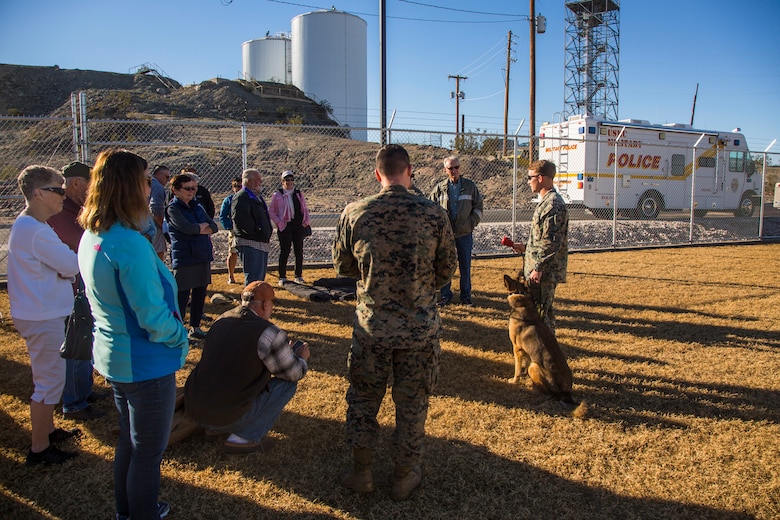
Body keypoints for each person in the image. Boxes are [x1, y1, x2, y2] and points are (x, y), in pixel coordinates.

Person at [333, 144, 456, 501]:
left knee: (363, 400)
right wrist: (417, 289)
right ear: (410, 171)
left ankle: (361, 471)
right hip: (419, 329)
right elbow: (446, 270)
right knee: (413, 403)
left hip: (372, 328)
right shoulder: (433, 214)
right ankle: (404, 475)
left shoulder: (355, 213)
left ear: (377, 174)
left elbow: (343, 269)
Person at [78, 149, 188, 520]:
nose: (149, 187)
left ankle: (126, 511)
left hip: (116, 357)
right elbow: (152, 317)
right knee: (147, 452)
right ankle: (142, 512)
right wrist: (179, 337)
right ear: (130, 185)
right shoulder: (130, 244)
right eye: (145, 180)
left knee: (130, 441)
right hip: (145, 364)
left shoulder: (94, 234)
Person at [9, 165, 82, 466]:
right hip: (43, 315)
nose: (63, 196)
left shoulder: (34, 226)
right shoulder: (35, 230)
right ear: (38, 193)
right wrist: (65, 268)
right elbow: (71, 265)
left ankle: (48, 431)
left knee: (51, 376)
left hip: (43, 311)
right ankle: (39, 448)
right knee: (49, 381)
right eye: (58, 189)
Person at [184, 281, 310, 454]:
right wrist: (301, 358)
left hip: (196, 410)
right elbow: (294, 373)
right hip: (227, 414)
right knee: (287, 384)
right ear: (266, 305)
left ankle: (214, 429)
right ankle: (244, 438)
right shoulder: (269, 332)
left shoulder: (221, 320)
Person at [47, 161, 108, 421]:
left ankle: (84, 389)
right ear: (75, 184)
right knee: (76, 341)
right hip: (68, 290)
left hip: (78, 285)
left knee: (85, 340)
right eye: (90, 184)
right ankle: (73, 402)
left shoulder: (76, 208)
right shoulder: (61, 211)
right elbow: (83, 241)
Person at [511, 159, 569, 335]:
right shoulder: (546, 203)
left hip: (544, 272)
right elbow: (542, 238)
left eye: (530, 177)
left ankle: (545, 354)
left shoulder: (552, 205)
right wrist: (527, 248)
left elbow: (551, 242)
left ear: (541, 178)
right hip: (541, 269)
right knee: (542, 312)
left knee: (541, 316)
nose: (528, 181)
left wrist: (538, 268)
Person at [166, 172, 218, 341]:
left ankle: (195, 327)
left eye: (194, 188)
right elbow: (186, 228)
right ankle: (179, 330)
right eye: (187, 188)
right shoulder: (173, 209)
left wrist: (198, 227)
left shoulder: (197, 206)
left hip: (202, 254)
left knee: (200, 292)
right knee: (182, 295)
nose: (192, 192)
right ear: (176, 190)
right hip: (185, 257)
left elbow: (213, 226)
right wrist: (200, 228)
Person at [429, 155, 483, 307]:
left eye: (456, 167)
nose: (454, 171)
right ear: (445, 170)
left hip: (464, 234)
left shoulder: (470, 186)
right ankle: (446, 296)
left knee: (465, 266)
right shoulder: (439, 188)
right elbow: (431, 208)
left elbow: (478, 207)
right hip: (446, 236)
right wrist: (439, 228)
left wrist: (471, 223)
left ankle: (466, 296)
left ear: (460, 168)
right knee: (446, 266)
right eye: (450, 168)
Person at [269, 170, 311, 285]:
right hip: (285, 226)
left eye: (291, 180)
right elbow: (271, 211)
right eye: (287, 180)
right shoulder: (278, 195)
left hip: (298, 226)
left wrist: (305, 222)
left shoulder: (298, 193)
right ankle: (282, 276)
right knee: (285, 251)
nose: (289, 182)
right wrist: (279, 222)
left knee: (299, 251)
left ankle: (298, 275)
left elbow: (304, 209)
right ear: (282, 182)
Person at [232, 168, 273, 285]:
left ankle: (258, 301)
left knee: (259, 278)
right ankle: (250, 301)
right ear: (249, 181)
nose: (261, 181)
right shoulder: (242, 197)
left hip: (260, 242)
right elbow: (242, 220)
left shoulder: (256, 196)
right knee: (253, 278)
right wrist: (258, 231)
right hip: (250, 242)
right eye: (258, 179)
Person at [219, 176, 243, 284]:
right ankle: (231, 275)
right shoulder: (228, 200)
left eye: (240, 186)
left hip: (247, 229)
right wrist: (230, 227)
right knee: (233, 252)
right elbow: (223, 216)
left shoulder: (249, 198)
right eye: (235, 186)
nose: (237, 188)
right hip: (234, 230)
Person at [149, 165, 172, 261]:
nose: (168, 180)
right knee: (157, 256)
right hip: (154, 226)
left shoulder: (148, 184)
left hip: (143, 224)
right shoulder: (157, 187)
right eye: (166, 177)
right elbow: (155, 207)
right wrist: (163, 226)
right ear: (158, 174)